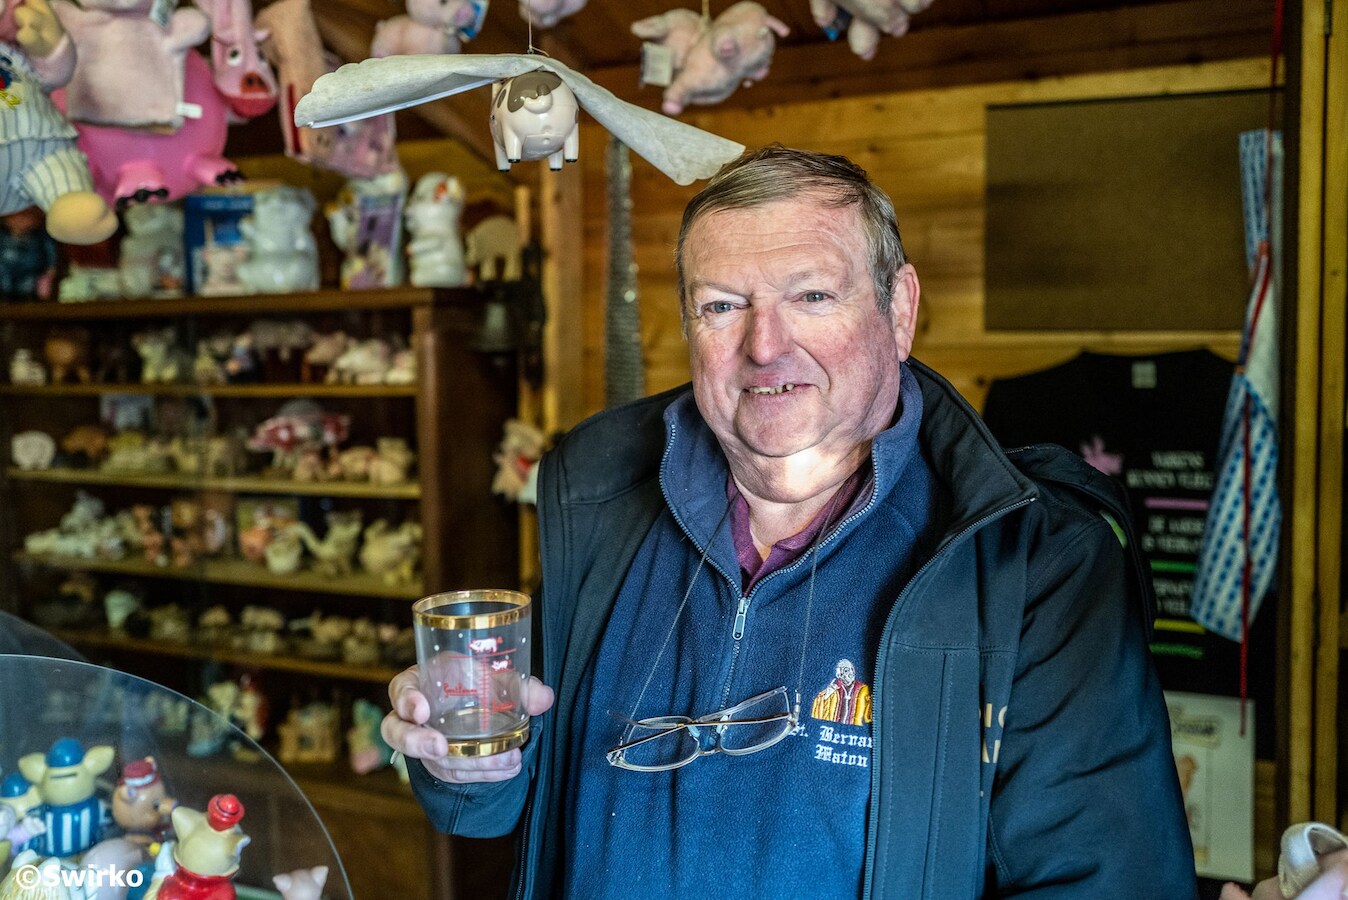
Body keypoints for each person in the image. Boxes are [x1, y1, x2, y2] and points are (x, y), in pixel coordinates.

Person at [383, 145, 1197, 897]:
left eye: (811, 295)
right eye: (723, 304)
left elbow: (1103, 881)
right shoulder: (604, 510)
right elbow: (496, 809)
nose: (764, 345)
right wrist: (462, 764)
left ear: (899, 310)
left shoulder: (1034, 561)